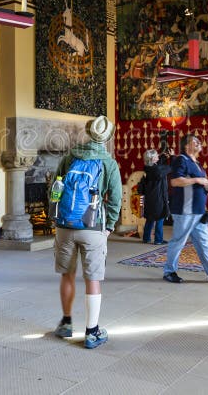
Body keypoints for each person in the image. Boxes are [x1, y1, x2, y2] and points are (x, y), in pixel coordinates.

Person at [52, 116, 122, 349]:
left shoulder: (70, 156)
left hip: (65, 225)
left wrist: (57, 218)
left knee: (67, 275)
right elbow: (115, 198)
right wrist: (109, 225)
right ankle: (92, 332)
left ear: (88, 132)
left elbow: (55, 187)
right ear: (108, 137)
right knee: (93, 278)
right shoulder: (108, 163)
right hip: (92, 226)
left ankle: (66, 322)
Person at [163, 134, 208, 283]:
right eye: (195, 141)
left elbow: (201, 183)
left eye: (198, 141)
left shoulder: (197, 163)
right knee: (178, 242)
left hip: (199, 211)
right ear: (186, 146)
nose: (198, 143)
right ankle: (169, 272)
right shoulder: (181, 160)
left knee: (204, 243)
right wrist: (197, 179)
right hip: (185, 211)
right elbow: (175, 182)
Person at [140, 149, 171, 245]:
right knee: (160, 218)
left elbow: (159, 164)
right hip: (158, 197)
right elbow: (169, 168)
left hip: (150, 197)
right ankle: (158, 240)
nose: (158, 156)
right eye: (156, 155)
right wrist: (173, 157)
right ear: (153, 158)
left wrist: (163, 156)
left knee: (150, 218)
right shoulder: (157, 170)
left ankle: (146, 238)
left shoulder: (148, 168)